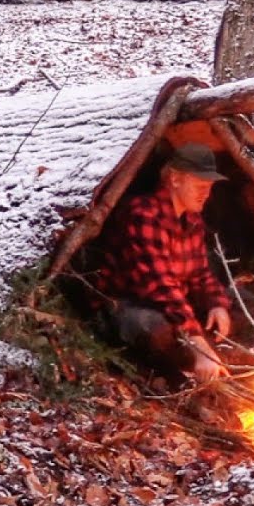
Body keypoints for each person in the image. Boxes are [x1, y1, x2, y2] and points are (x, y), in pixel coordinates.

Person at [95, 142, 234, 388]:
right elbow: (159, 287)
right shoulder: (143, 215)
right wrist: (198, 344)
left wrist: (216, 303)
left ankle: (223, 362)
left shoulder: (192, 219)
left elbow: (200, 273)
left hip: (174, 302)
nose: (206, 194)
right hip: (130, 304)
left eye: (209, 187)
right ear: (175, 179)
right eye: (200, 186)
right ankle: (177, 379)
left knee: (233, 303)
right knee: (158, 330)